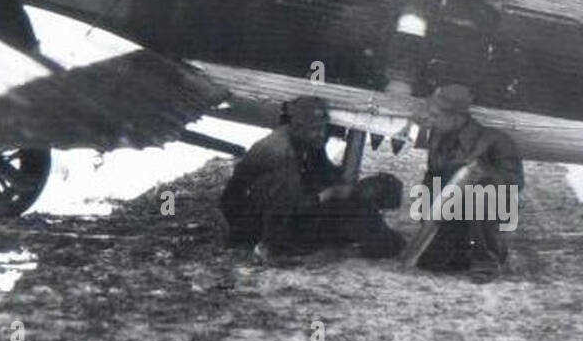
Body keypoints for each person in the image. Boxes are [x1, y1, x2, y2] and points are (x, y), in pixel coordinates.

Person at [219, 95, 405, 261]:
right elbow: (290, 206)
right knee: (354, 212)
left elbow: (321, 172)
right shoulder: (282, 153)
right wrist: (330, 194)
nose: (321, 134)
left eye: (323, 129)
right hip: (254, 225)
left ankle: (378, 238)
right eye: (316, 130)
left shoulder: (297, 139)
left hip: (260, 214)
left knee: (353, 208)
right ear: (298, 126)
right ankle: (278, 248)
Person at [414, 84, 523, 278]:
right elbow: (432, 178)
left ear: (456, 117)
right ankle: (460, 248)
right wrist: (428, 218)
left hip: (487, 211)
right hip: (451, 210)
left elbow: (515, 182)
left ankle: (487, 260)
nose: (428, 120)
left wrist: (485, 174)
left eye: (435, 116)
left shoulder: (496, 140)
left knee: (484, 191)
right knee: (430, 261)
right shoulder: (438, 139)